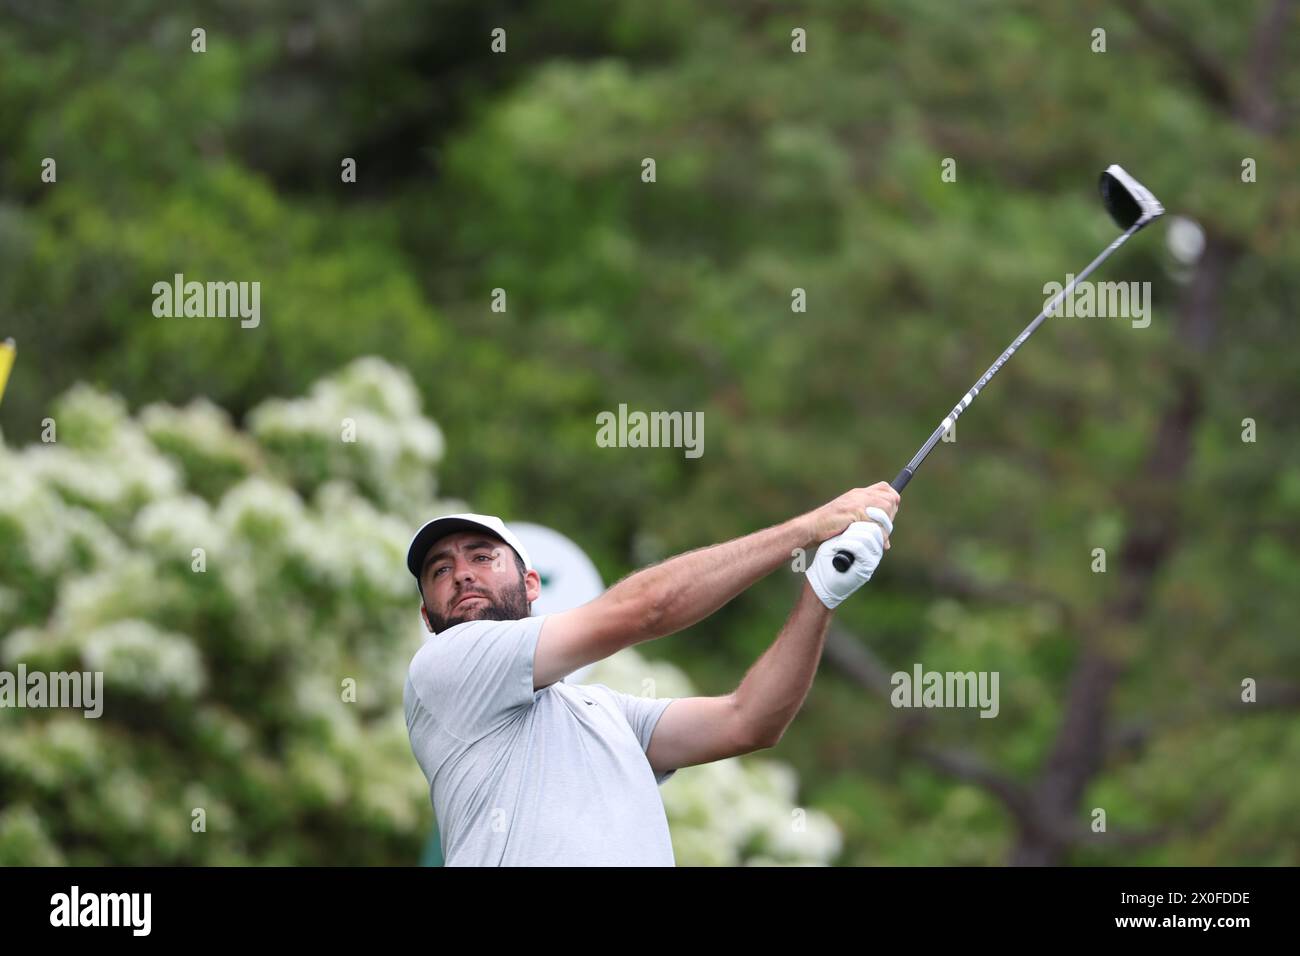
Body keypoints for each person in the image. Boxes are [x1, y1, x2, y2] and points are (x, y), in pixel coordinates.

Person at [402, 485, 901, 865]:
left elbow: (748, 720)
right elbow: (646, 609)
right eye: (440, 571)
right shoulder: (445, 665)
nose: (462, 573)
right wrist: (808, 528)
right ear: (428, 618)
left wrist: (821, 593)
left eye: (482, 557)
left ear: (531, 584)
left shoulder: (601, 710)